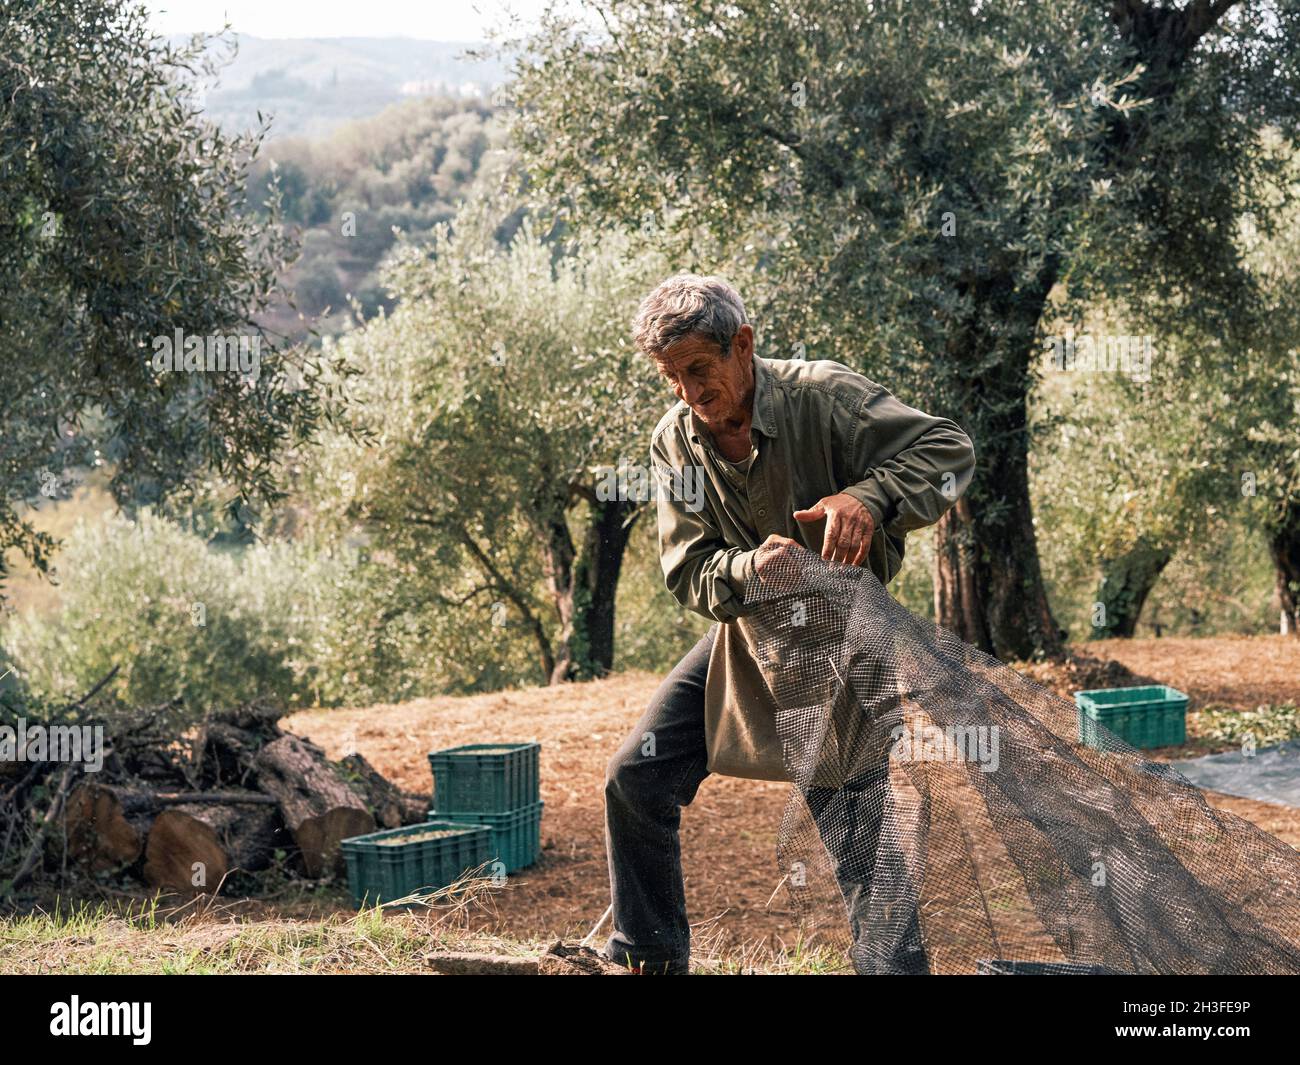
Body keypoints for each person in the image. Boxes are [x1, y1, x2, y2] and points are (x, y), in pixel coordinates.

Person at [601, 273, 976, 974]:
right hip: (744, 639)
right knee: (635, 778)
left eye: (700, 370)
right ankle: (647, 956)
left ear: (742, 344)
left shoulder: (823, 396)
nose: (688, 392)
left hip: (839, 645)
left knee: (857, 836)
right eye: (671, 377)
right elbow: (690, 571)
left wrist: (871, 497)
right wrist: (747, 570)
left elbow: (952, 454)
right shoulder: (674, 442)